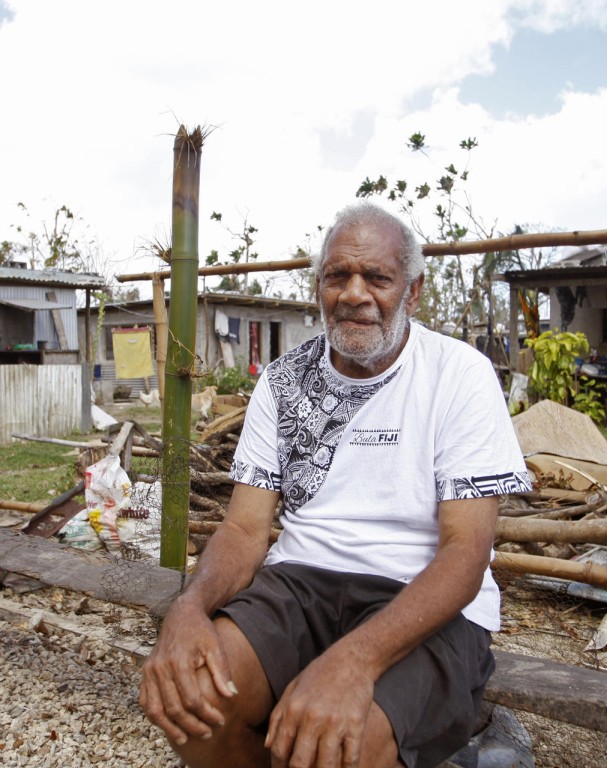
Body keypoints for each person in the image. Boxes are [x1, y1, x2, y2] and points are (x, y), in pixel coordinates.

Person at [139, 202, 531, 768]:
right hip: (300, 584)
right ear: (318, 286)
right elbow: (246, 529)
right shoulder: (283, 380)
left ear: (413, 292)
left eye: (377, 277)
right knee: (194, 699)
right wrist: (188, 609)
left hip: (420, 598)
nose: (354, 293)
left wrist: (353, 662)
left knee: (336, 748)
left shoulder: (458, 375)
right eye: (337, 276)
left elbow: (466, 553)